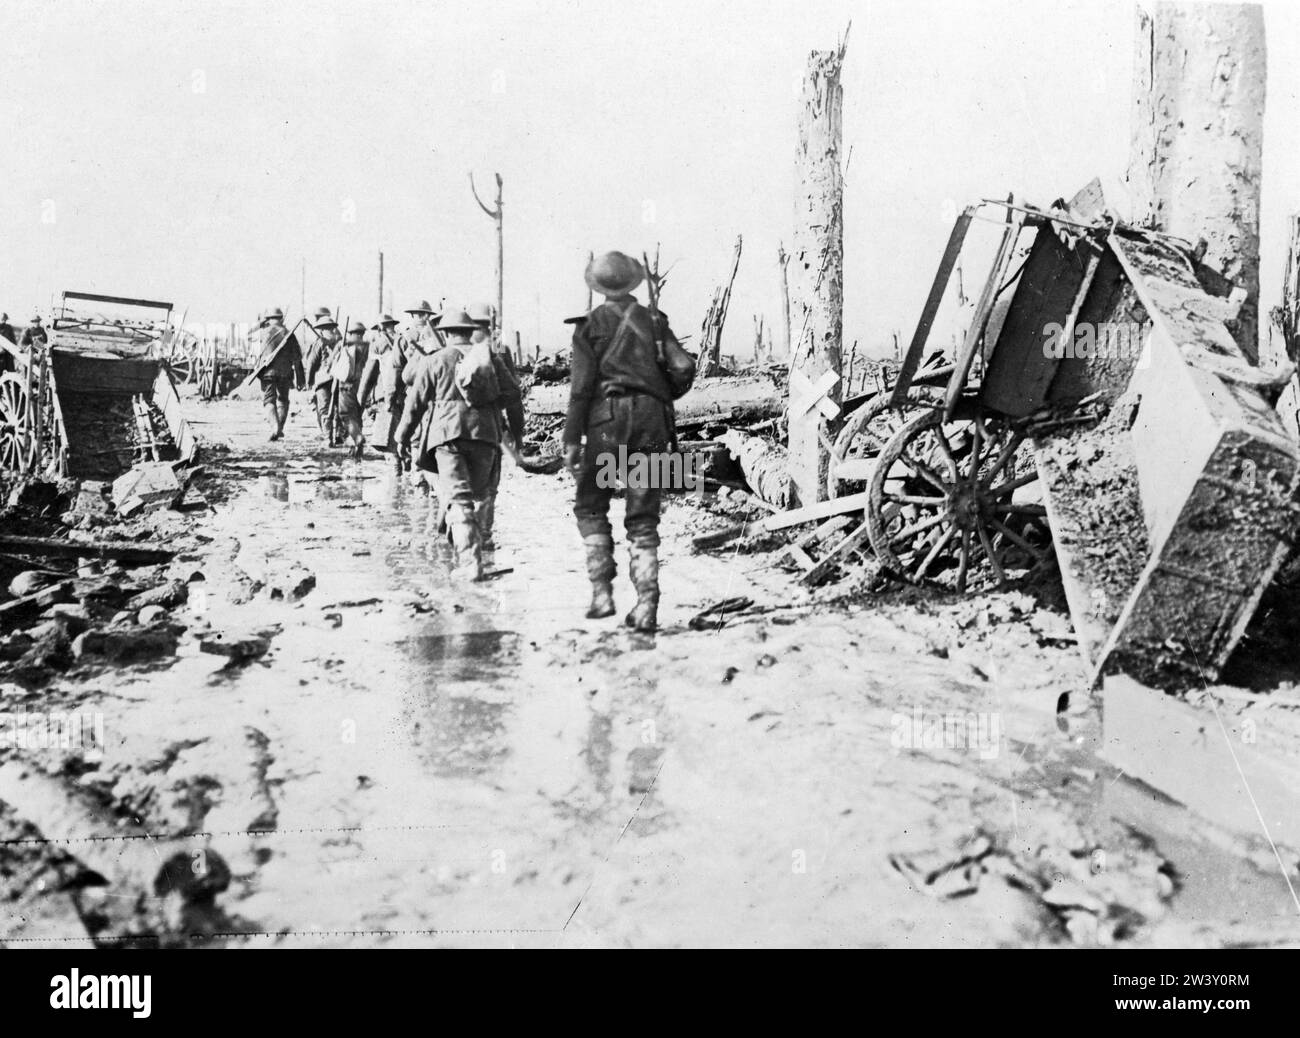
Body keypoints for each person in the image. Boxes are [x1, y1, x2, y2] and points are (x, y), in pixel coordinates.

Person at [563, 250, 694, 633]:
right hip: (652, 423)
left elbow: (580, 388)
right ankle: (647, 605)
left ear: (599, 286)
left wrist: (572, 438)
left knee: (590, 505)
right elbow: (684, 365)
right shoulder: (654, 321)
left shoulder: (589, 326)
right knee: (643, 514)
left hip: (606, 423)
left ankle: (601, 594)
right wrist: (662, 394)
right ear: (633, 282)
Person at [395, 310, 522, 580]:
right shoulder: (491, 359)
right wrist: (518, 437)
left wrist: (401, 438)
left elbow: (414, 403)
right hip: (486, 436)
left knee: (458, 499)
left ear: (446, 332)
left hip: (447, 437)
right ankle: (479, 546)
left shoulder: (436, 360)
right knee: (479, 495)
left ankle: (470, 564)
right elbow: (513, 396)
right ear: (469, 331)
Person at [466, 302, 525, 550]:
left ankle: (460, 537)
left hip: (451, 429)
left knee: (457, 486)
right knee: (488, 487)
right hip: (489, 426)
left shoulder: (452, 347)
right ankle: (484, 538)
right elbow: (513, 395)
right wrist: (518, 435)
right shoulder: (498, 350)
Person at [359, 314, 406, 466]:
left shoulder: (377, 344)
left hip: (385, 394)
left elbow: (370, 373)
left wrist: (362, 394)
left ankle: (394, 477)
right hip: (407, 394)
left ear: (380, 327)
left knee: (388, 440)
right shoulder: (405, 340)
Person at [253, 307, 305, 441]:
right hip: (285, 373)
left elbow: (252, 347)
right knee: (283, 399)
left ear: (269, 319)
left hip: (268, 373)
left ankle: (275, 428)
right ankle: (279, 427)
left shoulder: (262, 333)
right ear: (282, 319)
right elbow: (297, 358)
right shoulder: (289, 334)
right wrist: (301, 378)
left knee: (269, 400)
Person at [330, 321, 369, 458]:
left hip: (346, 385)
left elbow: (331, 363)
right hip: (361, 384)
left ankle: (357, 437)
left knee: (346, 415)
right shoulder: (367, 346)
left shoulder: (344, 345)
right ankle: (356, 448)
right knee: (356, 415)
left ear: (351, 333)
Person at [304, 313, 342, 444]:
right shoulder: (341, 343)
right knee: (338, 408)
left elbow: (311, 363)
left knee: (324, 408)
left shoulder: (319, 343)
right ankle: (338, 435)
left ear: (321, 329)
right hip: (340, 379)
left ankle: (327, 436)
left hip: (323, 381)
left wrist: (309, 383)